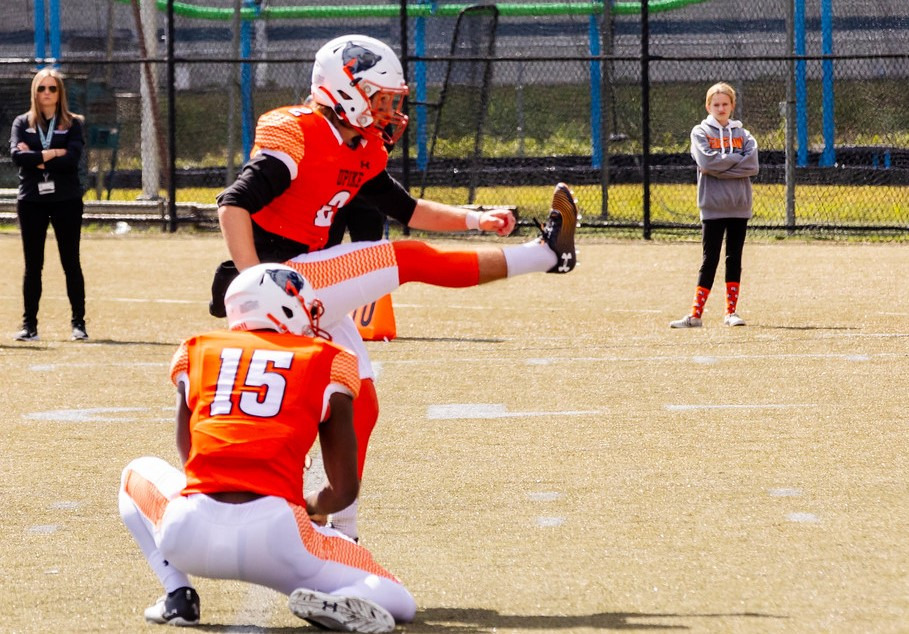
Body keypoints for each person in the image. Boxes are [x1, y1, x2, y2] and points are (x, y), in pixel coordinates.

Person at [211, 33, 579, 539]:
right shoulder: (295, 130)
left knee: (361, 399)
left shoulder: (359, 148)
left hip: (306, 285)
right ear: (345, 89)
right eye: (381, 99)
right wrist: (256, 282)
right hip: (281, 284)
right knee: (405, 259)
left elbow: (410, 210)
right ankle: (546, 255)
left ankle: (341, 528)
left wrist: (477, 219)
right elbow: (233, 204)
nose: (389, 111)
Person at [119, 263, 416, 632]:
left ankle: (178, 595)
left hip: (189, 532)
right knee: (397, 597)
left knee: (133, 472)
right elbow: (343, 491)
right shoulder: (331, 359)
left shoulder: (195, 350)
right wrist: (309, 505)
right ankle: (346, 597)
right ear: (285, 308)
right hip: (278, 538)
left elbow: (187, 451)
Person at [670, 81, 758, 329]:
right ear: (708, 106)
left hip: (739, 205)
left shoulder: (744, 135)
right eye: (716, 104)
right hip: (712, 206)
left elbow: (752, 166)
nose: (721, 108)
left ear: (732, 106)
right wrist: (734, 164)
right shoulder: (700, 132)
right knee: (710, 259)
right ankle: (695, 315)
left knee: (734, 258)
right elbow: (707, 164)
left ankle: (731, 313)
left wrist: (722, 167)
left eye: (725, 104)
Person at [9, 68, 88, 342]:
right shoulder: (21, 122)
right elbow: (17, 158)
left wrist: (38, 156)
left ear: (59, 93)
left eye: (52, 88)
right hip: (31, 200)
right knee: (33, 265)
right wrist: (54, 152)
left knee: (71, 262)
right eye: (42, 88)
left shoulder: (73, 123)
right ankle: (29, 326)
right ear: (35, 92)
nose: (46, 93)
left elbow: (73, 159)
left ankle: (79, 323)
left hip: (66, 199)